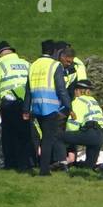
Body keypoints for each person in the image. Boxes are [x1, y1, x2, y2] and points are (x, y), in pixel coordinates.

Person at [24, 39, 70, 176]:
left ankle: (41, 166)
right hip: (50, 107)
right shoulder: (55, 65)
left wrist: (26, 109)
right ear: (54, 51)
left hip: (36, 107)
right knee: (48, 138)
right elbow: (61, 89)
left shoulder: (33, 65)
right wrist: (68, 105)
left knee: (43, 137)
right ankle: (44, 170)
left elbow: (28, 89)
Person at [0, 41, 33, 170]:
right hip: (27, 102)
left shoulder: (0, 64)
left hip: (9, 102)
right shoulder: (26, 64)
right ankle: (25, 164)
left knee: (9, 135)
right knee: (25, 134)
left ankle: (11, 164)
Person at [62, 79, 103, 172]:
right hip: (100, 136)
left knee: (58, 137)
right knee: (89, 167)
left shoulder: (78, 101)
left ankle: (61, 163)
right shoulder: (93, 101)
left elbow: (73, 125)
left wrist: (67, 136)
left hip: (90, 133)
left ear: (78, 90)